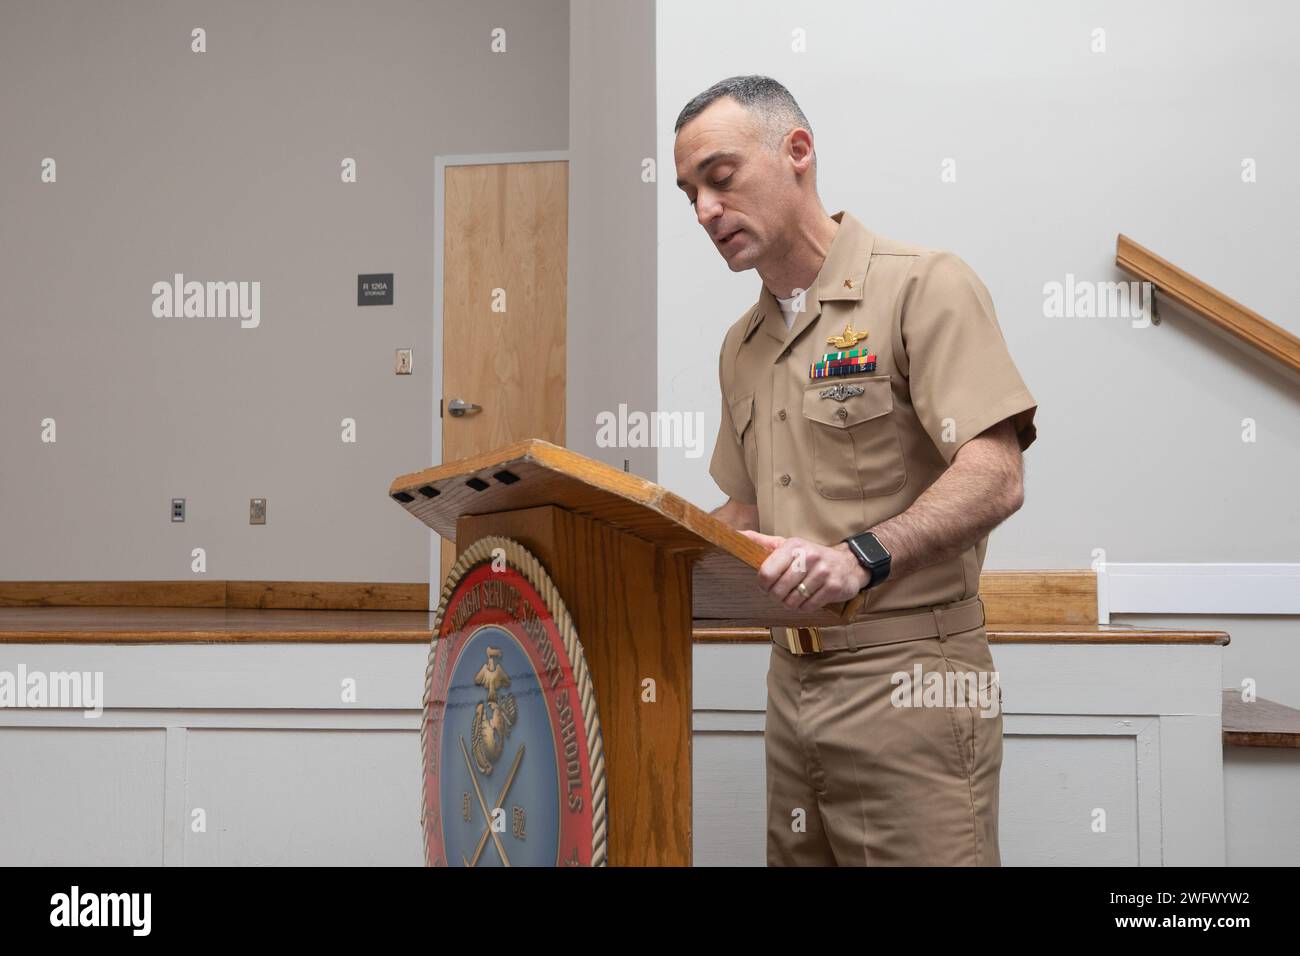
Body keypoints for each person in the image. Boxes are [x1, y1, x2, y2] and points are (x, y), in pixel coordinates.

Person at [674, 75, 1038, 866]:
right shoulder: (742, 345)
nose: (703, 210)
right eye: (689, 193)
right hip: (790, 687)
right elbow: (743, 510)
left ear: (797, 152)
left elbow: (995, 472)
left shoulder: (921, 285)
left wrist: (858, 558)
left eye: (720, 178)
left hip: (912, 680)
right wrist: (651, 557)